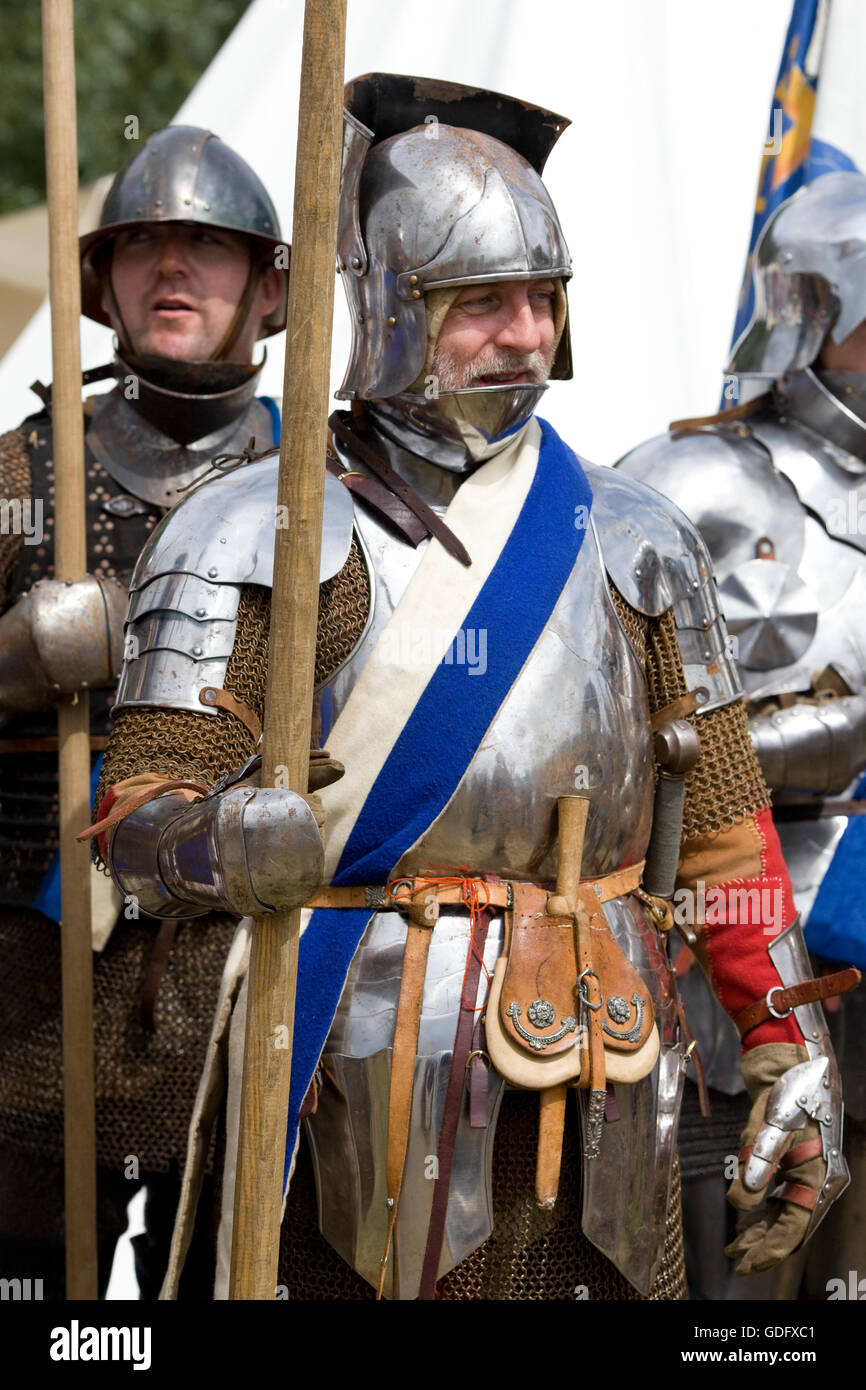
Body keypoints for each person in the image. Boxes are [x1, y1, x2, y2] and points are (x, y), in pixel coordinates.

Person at [89, 76, 850, 1301]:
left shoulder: (636, 536)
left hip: (607, 1074)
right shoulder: (254, 529)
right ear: (391, 310)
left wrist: (785, 1037)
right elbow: (131, 822)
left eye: (540, 301)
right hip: (351, 1066)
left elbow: (720, 831)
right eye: (479, 304)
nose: (524, 335)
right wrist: (222, 839)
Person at [0, 124, 287, 1298]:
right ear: (102, 281)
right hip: (32, 968)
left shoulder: (318, 483)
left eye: (206, 247)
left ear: (266, 286)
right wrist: (18, 658)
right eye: (146, 245)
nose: (174, 270)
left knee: (213, 1274)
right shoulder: (23, 476)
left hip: (235, 968)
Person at [616, 170, 866, 1299]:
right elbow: (600, 747)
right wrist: (825, 733)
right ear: (816, 310)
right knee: (735, 1287)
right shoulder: (681, 486)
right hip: (735, 950)